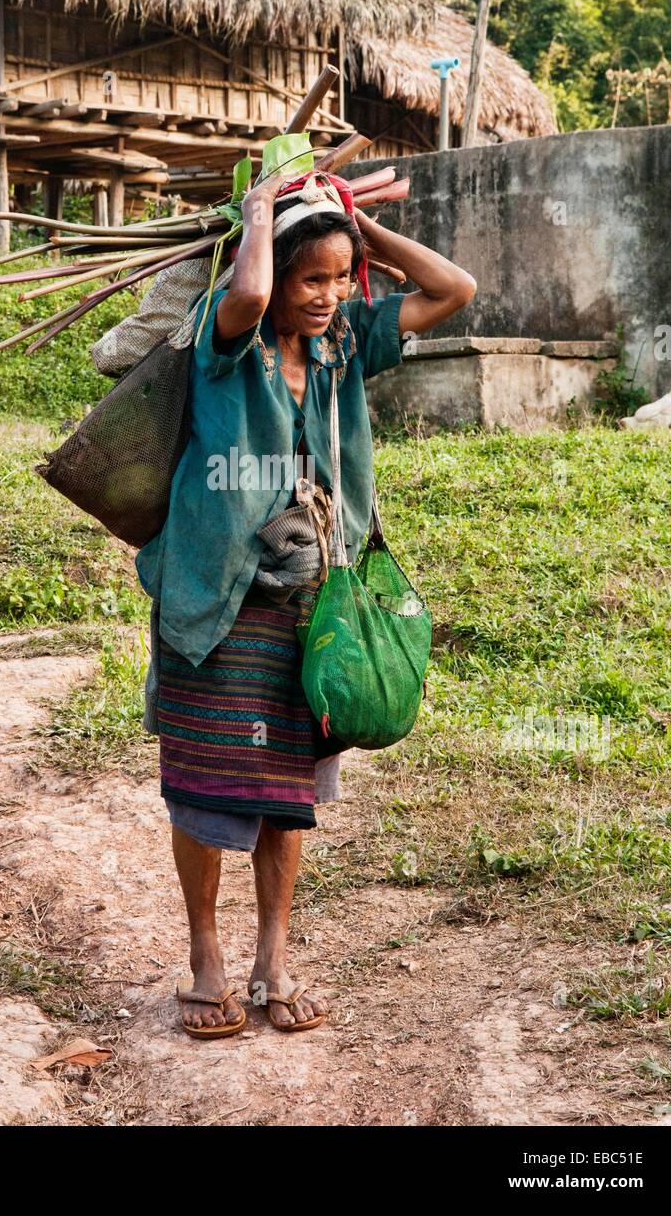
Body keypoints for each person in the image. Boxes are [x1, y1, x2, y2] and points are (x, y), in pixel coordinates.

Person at [135, 168, 476, 1038]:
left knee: (289, 791)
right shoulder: (226, 337)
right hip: (216, 600)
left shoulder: (346, 343)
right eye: (309, 278)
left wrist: (359, 231)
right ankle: (206, 957)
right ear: (274, 273)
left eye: (338, 278)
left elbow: (453, 289)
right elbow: (248, 288)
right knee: (205, 785)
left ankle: (272, 960)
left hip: (311, 601)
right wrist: (262, 211)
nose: (326, 296)